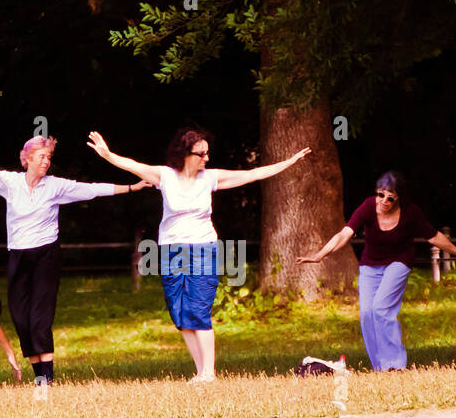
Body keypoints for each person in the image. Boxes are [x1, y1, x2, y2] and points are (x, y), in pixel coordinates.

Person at [0, 138, 148, 387]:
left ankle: (45, 379)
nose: (46, 162)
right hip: (18, 256)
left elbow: (91, 189)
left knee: (39, 317)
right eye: (42, 157)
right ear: (26, 159)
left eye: (49, 158)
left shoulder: (55, 186)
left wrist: (132, 188)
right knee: (21, 317)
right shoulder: (10, 183)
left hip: (45, 256)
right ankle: (38, 374)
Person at [87, 126, 310, 382]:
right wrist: (106, 154)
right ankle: (200, 371)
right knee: (179, 312)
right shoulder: (165, 176)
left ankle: (209, 373)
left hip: (203, 248)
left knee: (198, 309)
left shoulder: (210, 177)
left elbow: (251, 174)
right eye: (201, 153)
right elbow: (132, 165)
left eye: (207, 153)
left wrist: (289, 162)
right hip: (171, 250)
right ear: (185, 153)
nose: (206, 158)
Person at [298, 171, 456, 371]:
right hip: (370, 264)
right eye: (380, 195)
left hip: (399, 261)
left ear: (399, 198)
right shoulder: (368, 207)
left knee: (381, 308)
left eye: (390, 197)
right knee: (367, 313)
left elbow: (433, 236)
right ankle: (380, 367)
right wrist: (320, 255)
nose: (384, 201)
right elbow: (345, 234)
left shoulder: (410, 212)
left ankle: (395, 365)